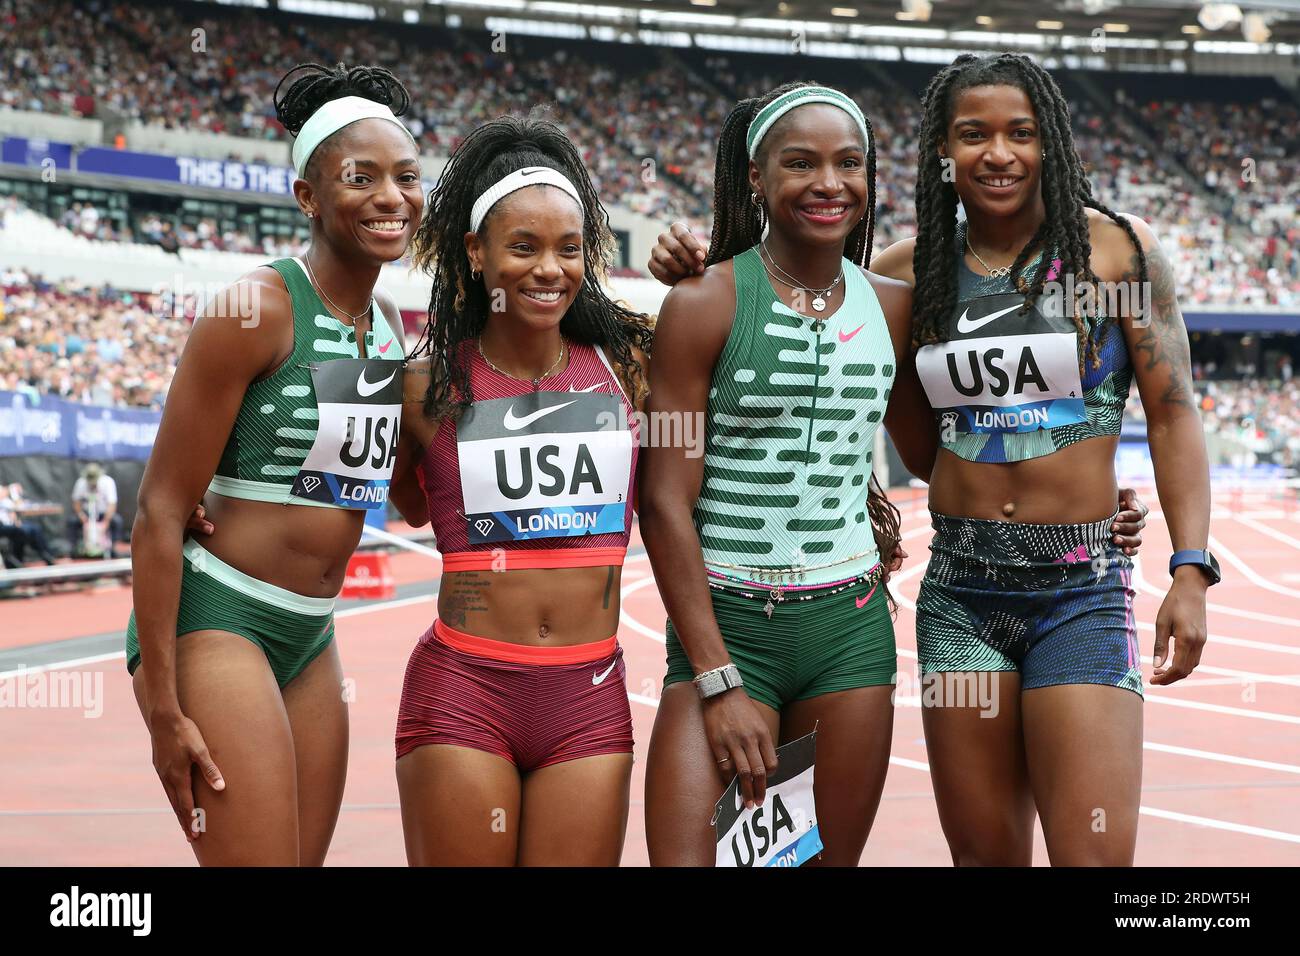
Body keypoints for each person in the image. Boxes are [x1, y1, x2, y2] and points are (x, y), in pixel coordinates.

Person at [647, 53, 1185, 867]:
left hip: (1016, 598)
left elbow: (1156, 415)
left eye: (1021, 133)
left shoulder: (1082, 261)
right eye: (972, 135)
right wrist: (690, 266)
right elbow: (667, 496)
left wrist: (1143, 533)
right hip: (926, 597)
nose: (996, 153)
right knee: (977, 853)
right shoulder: (877, 281)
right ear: (941, 152)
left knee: (1088, 857)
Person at [125, 62, 424, 865]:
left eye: (407, 177)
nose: (392, 197)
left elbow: (413, 500)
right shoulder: (254, 308)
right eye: (361, 178)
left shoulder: (391, 328)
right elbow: (158, 511)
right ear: (307, 196)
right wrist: (161, 709)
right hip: (221, 619)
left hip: (310, 634)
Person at [639, 83, 928, 867]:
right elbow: (664, 501)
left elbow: (939, 460)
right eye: (800, 163)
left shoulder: (893, 309)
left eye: (849, 163)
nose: (829, 182)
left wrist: (1086, 498)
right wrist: (718, 678)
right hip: (727, 624)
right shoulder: (704, 302)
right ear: (757, 179)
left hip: (849, 631)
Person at [392, 114, 654, 866]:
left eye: (569, 250)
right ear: (475, 254)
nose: (550, 270)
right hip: (463, 686)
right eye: (524, 247)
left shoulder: (630, 365)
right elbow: (397, 503)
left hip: (588, 692)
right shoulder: (423, 388)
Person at [69, 463, 121, 558]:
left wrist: (106, 522)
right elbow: (76, 501)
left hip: (103, 513)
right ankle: (74, 549)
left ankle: (112, 549)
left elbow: (112, 504)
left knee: (117, 521)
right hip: (86, 514)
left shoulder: (108, 482)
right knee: (72, 521)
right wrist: (82, 516)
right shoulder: (80, 483)